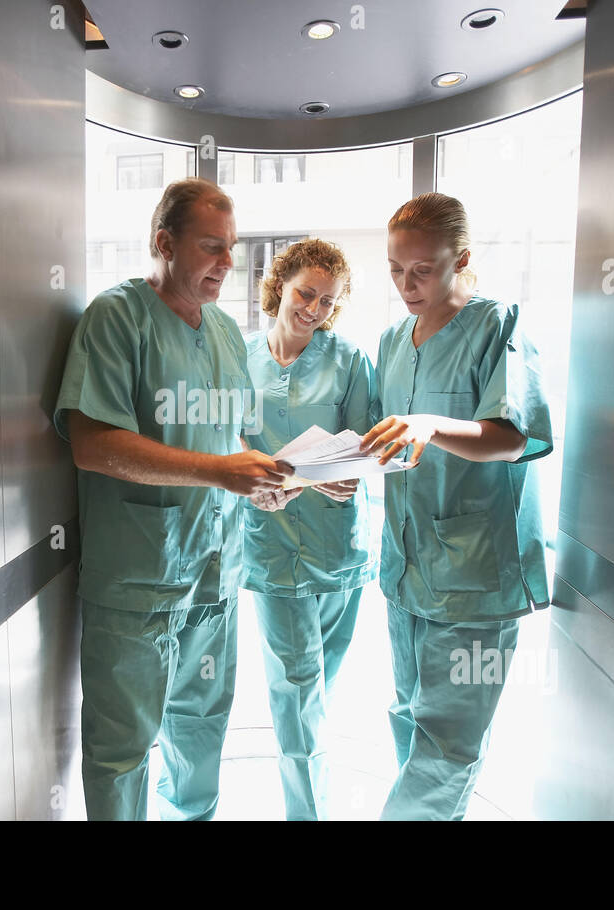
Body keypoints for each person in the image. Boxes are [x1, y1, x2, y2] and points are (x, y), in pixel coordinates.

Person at [53, 178, 293, 821]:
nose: (226, 264)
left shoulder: (223, 332)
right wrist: (219, 471)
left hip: (215, 574)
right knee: (121, 750)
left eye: (232, 249)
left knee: (202, 727)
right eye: (212, 247)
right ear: (164, 242)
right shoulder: (117, 318)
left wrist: (266, 483)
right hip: (137, 581)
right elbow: (92, 442)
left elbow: (231, 436)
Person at [360, 192, 553, 820]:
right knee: (410, 719)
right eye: (395, 269)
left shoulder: (499, 323)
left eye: (423, 269)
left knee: (449, 744)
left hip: (474, 575)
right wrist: (339, 474)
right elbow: (384, 439)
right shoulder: (393, 339)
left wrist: (430, 423)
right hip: (407, 566)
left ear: (460, 259)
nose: (406, 284)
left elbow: (514, 435)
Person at [240, 239, 378, 821]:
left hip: (340, 548)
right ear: (279, 286)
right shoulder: (238, 357)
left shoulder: (351, 360)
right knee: (297, 697)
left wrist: (347, 473)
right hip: (271, 548)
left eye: (327, 301)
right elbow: (225, 439)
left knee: (315, 696)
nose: (314, 309)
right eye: (305, 293)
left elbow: (369, 445)